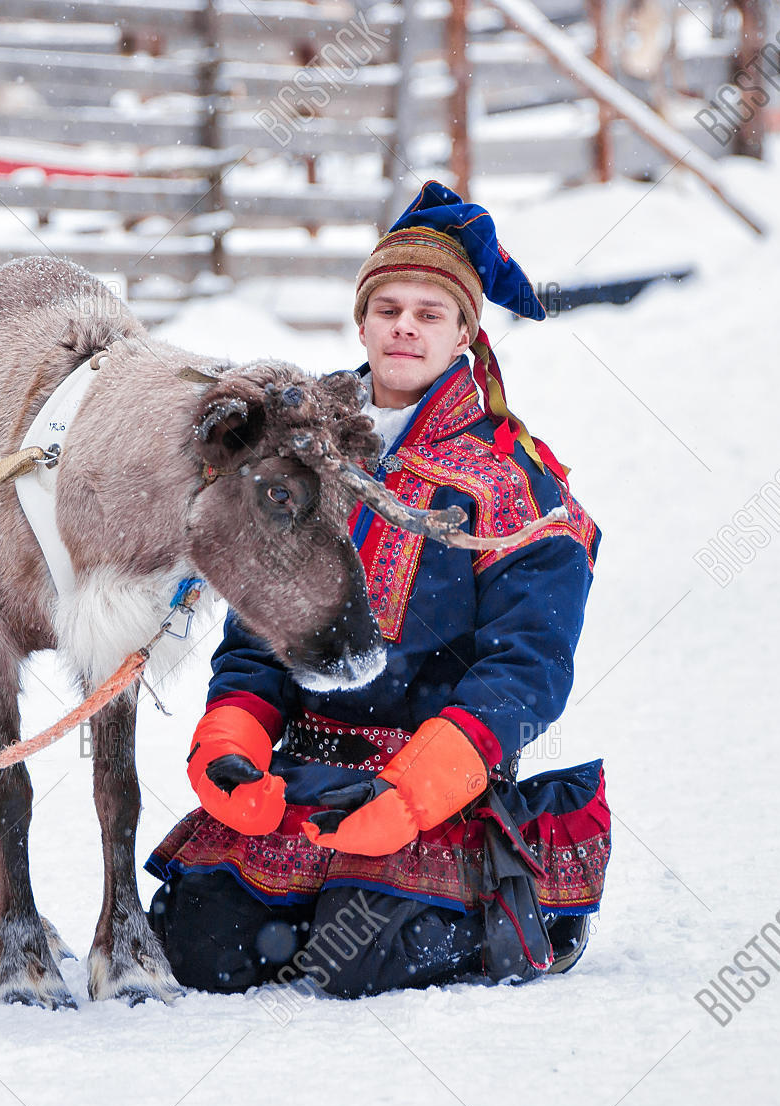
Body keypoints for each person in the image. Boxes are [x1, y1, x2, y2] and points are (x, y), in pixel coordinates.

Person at [145, 182, 612, 998]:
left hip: (432, 788)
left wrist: (420, 788)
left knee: (355, 957)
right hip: (304, 775)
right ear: (359, 322)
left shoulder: (515, 485)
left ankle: (526, 908)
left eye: (430, 314)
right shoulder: (300, 458)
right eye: (387, 307)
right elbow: (262, 627)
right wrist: (233, 739)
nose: (404, 326)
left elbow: (528, 664)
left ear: (466, 332)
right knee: (197, 948)